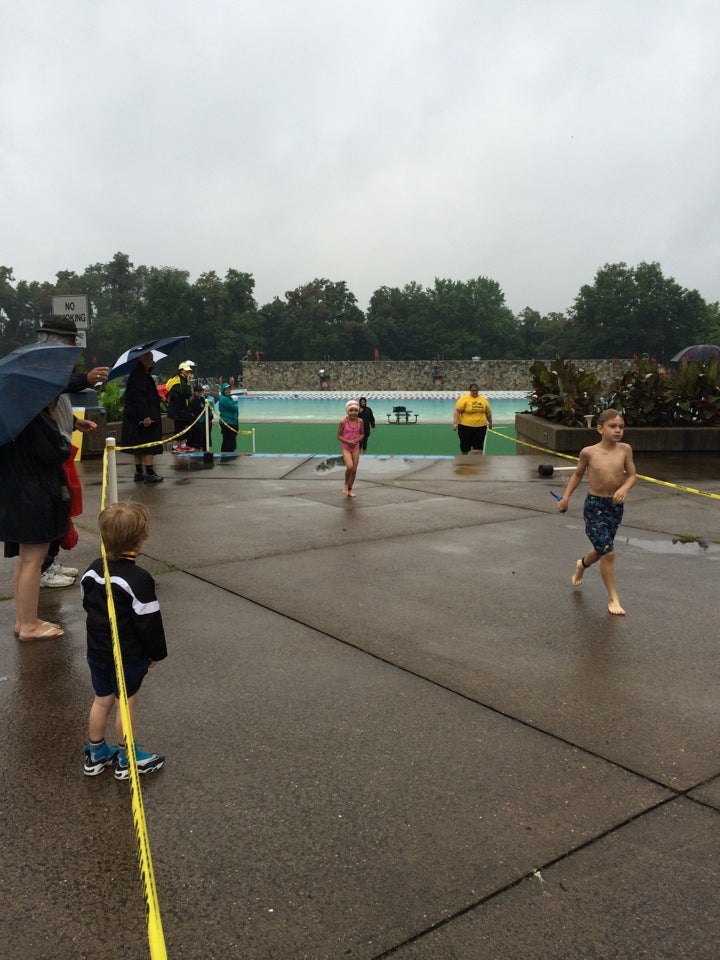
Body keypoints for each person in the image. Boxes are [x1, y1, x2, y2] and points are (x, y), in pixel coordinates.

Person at [81, 501, 167, 779]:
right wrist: (155, 654)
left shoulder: (93, 570)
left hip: (97, 652)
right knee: (125, 703)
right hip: (127, 655)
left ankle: (96, 753)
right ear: (140, 539)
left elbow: (88, 604)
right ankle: (128, 757)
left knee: (101, 699)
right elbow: (149, 624)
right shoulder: (138, 579)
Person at [36, 316, 109, 587]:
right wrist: (86, 378)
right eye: (69, 339)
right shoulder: (44, 370)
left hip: (59, 445)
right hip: (48, 453)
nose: (73, 344)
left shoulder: (53, 368)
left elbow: (56, 405)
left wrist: (75, 422)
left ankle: (50, 561)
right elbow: (57, 389)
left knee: (63, 508)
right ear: (54, 339)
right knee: (54, 508)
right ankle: (43, 568)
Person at [0, 400, 72, 641]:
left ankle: (24, 619)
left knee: (25, 560)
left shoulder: (9, 413)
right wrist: (58, 430)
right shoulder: (33, 413)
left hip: (15, 492)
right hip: (35, 494)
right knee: (33, 560)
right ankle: (29, 624)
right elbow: (56, 451)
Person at [556, 408, 637, 616]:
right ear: (600, 428)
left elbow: (632, 476)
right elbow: (577, 475)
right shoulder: (588, 452)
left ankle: (581, 564)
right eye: (612, 426)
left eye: (621, 427)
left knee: (603, 549)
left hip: (615, 507)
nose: (618, 430)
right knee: (609, 552)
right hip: (595, 507)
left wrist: (624, 489)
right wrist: (565, 498)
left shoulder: (625, 450)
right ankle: (613, 598)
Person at [120, 351, 164, 482]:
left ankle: (139, 472)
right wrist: (145, 416)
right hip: (143, 416)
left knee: (138, 444)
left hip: (136, 416)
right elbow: (139, 397)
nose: (150, 359)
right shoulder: (140, 375)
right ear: (140, 358)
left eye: (151, 357)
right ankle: (149, 472)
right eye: (146, 357)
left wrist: (157, 397)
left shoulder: (141, 374)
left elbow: (145, 394)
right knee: (148, 443)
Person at [452, 383, 493, 454]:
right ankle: (465, 462)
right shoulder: (464, 399)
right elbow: (457, 411)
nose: (475, 392)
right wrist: (455, 423)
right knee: (465, 448)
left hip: (480, 427)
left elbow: (488, 412)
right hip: (465, 427)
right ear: (470, 390)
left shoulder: (483, 400)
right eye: (473, 390)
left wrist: (490, 423)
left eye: (476, 390)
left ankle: (477, 464)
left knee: (477, 449)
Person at [337, 400, 364, 497]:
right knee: (350, 466)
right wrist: (348, 442)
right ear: (347, 411)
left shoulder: (360, 421)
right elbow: (339, 436)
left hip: (355, 447)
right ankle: (345, 484)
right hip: (346, 447)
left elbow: (362, 434)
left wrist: (357, 440)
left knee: (354, 470)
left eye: (355, 411)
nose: (353, 413)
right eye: (351, 410)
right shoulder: (343, 422)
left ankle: (349, 489)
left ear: (358, 412)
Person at [166, 362, 195, 452]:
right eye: (186, 371)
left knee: (181, 427)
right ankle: (175, 447)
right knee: (179, 427)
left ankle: (182, 445)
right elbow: (187, 393)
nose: (188, 373)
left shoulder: (179, 379)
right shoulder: (179, 380)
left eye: (189, 371)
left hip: (179, 408)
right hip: (178, 409)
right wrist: (189, 384)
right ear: (181, 370)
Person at [189, 383, 213, 451]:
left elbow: (208, 408)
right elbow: (199, 410)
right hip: (198, 423)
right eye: (198, 391)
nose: (200, 393)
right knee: (197, 441)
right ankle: (197, 454)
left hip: (204, 422)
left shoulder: (202, 398)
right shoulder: (193, 400)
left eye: (201, 391)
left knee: (205, 439)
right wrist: (205, 410)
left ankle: (204, 452)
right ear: (195, 392)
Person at [218, 382, 239, 453]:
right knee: (229, 441)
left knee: (228, 440)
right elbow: (234, 408)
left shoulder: (228, 398)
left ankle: (226, 456)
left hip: (231, 421)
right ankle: (227, 457)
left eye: (229, 389)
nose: (228, 391)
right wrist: (235, 405)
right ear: (223, 390)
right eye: (226, 389)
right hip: (227, 422)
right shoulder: (224, 399)